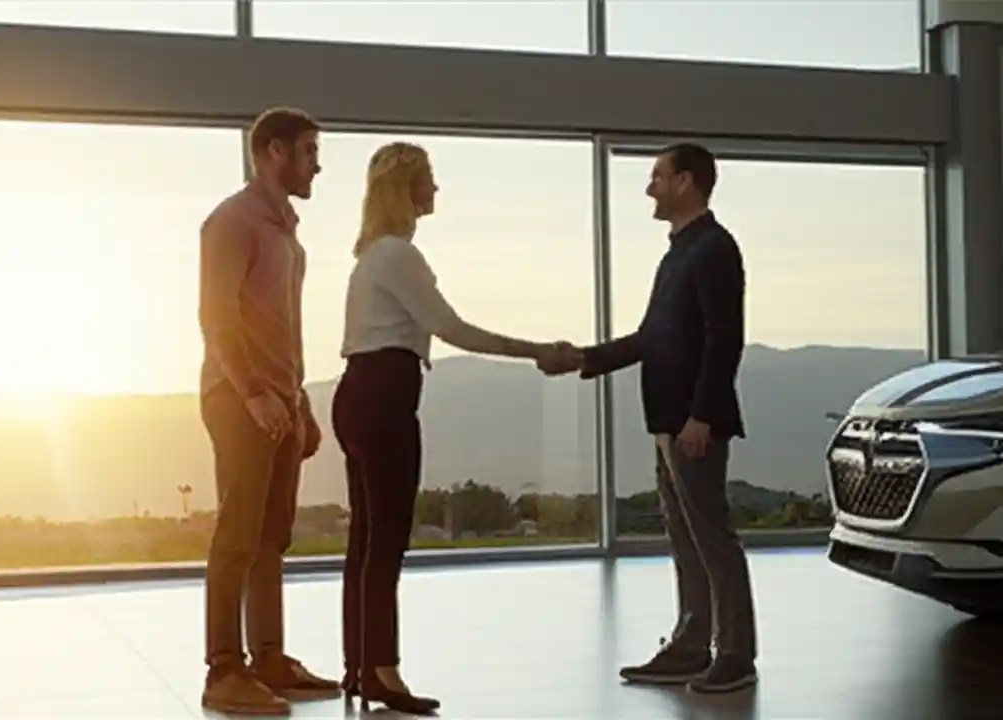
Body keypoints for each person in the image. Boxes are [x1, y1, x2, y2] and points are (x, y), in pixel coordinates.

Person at [334, 141, 578, 714]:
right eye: (429, 180)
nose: (436, 190)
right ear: (406, 189)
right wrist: (534, 350)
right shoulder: (396, 254)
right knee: (386, 538)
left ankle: (360, 665)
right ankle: (381, 672)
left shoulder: (372, 255)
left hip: (358, 393)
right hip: (384, 396)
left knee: (366, 540)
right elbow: (452, 328)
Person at [541, 143, 757, 694]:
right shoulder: (678, 253)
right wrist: (584, 359)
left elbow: (724, 337)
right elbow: (652, 338)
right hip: (667, 419)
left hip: (690, 422)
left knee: (711, 537)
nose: (649, 188)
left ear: (686, 181)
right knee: (685, 539)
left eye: (657, 176)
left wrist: (702, 415)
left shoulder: (713, 249)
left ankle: (734, 655)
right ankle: (690, 646)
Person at [197, 106, 340, 716]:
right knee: (237, 535)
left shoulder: (288, 232)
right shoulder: (231, 221)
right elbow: (217, 316)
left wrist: (299, 400)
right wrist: (254, 391)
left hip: (282, 400)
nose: (317, 164)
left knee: (272, 538)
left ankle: (270, 659)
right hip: (238, 398)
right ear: (274, 151)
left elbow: (288, 326)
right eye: (309, 151)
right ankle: (223, 671)